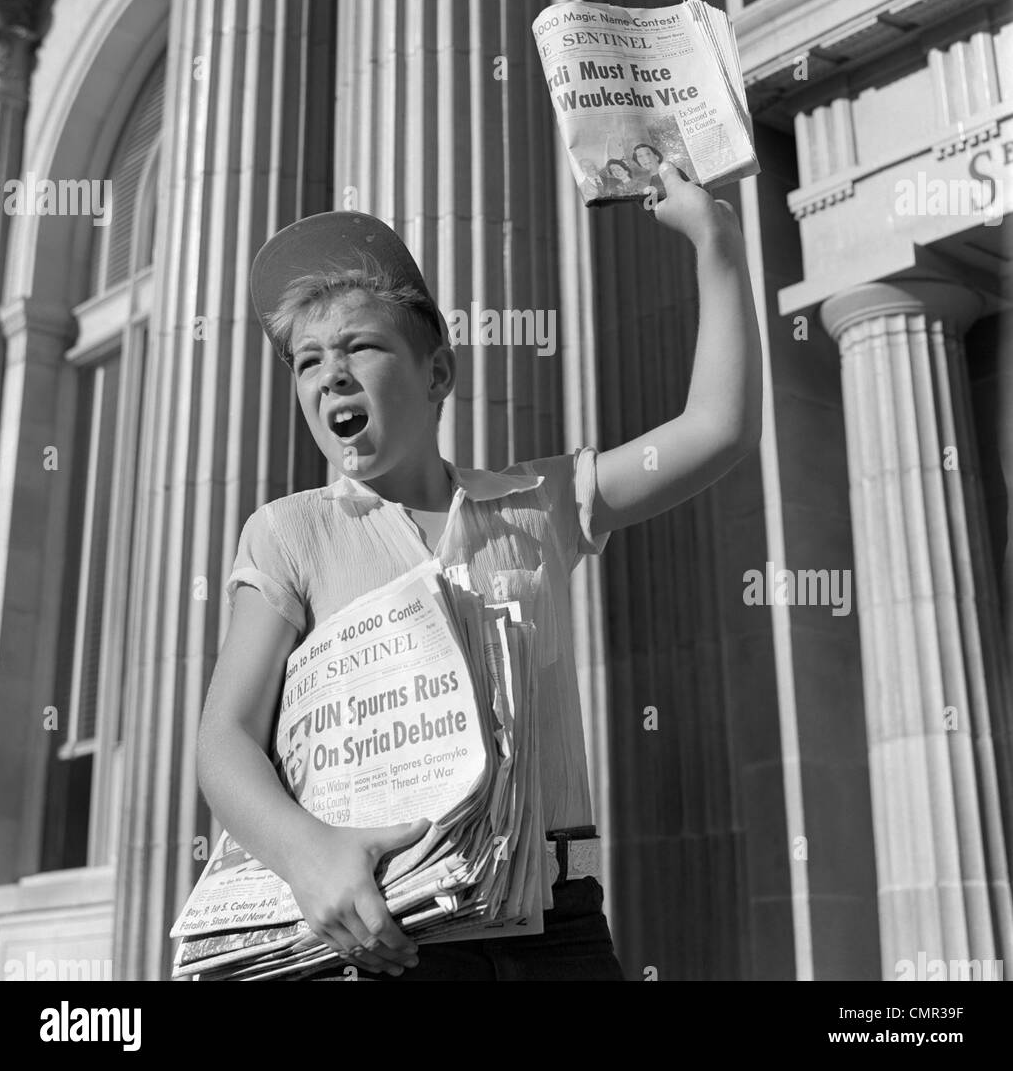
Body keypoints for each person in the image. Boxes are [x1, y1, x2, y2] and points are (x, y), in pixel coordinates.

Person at [196, 184, 762, 980]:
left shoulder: (541, 500)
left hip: (558, 927)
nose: (330, 376)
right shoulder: (291, 530)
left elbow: (719, 430)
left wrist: (716, 243)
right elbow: (224, 740)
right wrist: (307, 856)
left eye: (359, 346)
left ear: (437, 375)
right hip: (386, 925)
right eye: (307, 361)